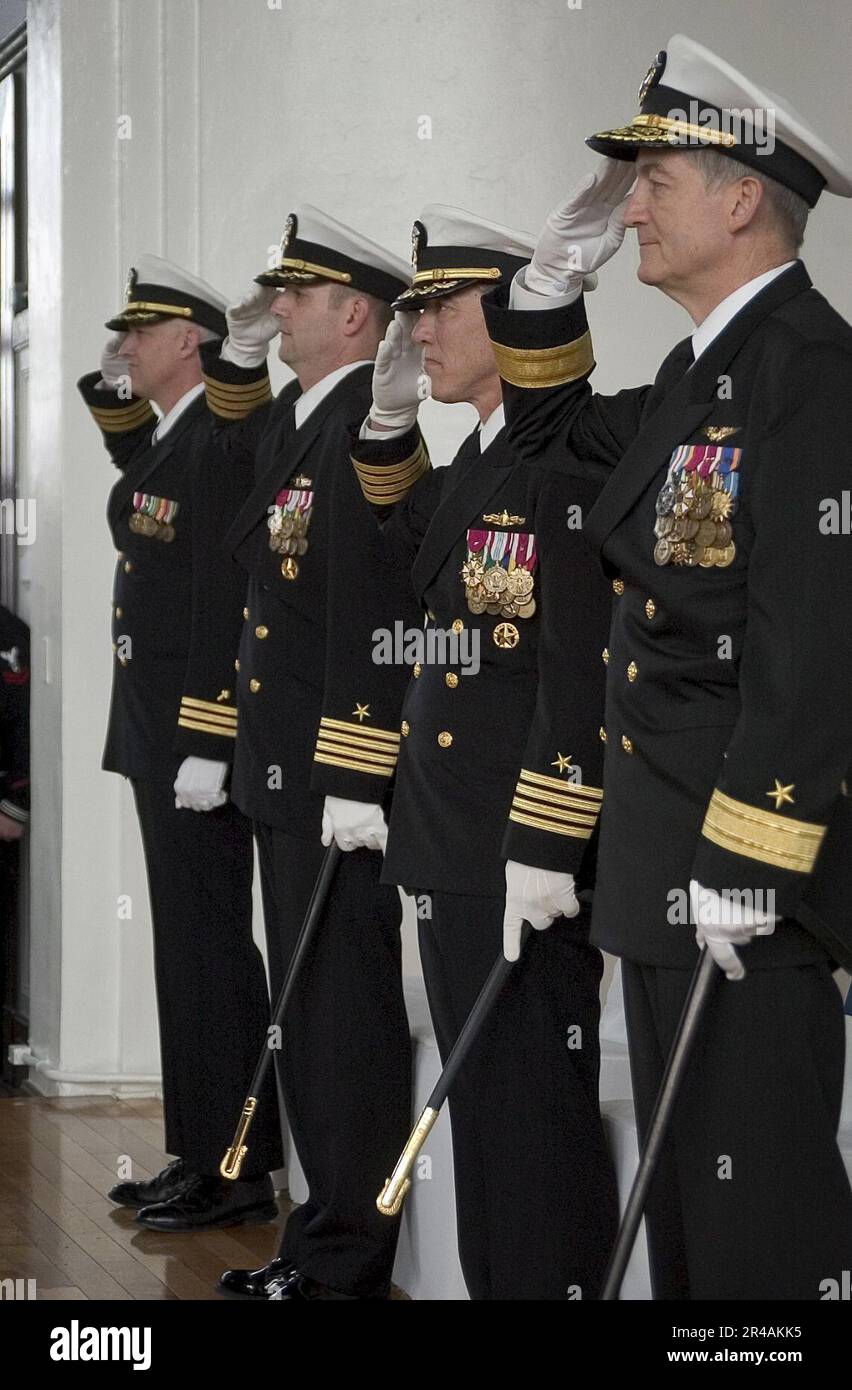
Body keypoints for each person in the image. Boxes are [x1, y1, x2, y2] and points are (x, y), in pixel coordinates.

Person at [481, 32, 852, 1299]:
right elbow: (548, 439)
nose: (629, 203)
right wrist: (546, 285)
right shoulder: (698, 377)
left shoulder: (812, 371)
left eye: (656, 180)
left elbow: (816, 638)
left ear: (743, 197)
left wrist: (753, 854)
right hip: (661, 866)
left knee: (762, 1231)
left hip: (749, 881)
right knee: (693, 1218)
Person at [349, 207, 619, 1299]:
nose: (419, 333)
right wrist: (387, 421)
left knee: (528, 1110)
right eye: (412, 312)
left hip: (518, 841)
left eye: (440, 309)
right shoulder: (485, 452)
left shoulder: (560, 455)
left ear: (514, 316)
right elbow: (410, 551)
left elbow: (576, 662)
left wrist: (549, 835)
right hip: (457, 831)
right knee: (490, 1109)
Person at [205, 208, 421, 1301]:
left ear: (352, 314)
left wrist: (353, 770)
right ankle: (314, 1236)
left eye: (294, 295)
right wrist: (238, 354)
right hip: (281, 768)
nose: (275, 307)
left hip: (325, 777)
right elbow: (224, 455)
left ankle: (342, 1260)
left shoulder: (364, 435)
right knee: (308, 1017)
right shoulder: (307, 418)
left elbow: (367, 616)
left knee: (341, 1023)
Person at [78, 257, 282, 1229]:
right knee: (184, 949)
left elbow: (223, 598)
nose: (122, 347)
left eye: (140, 332)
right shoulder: (176, 435)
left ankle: (236, 1167)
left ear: (190, 341)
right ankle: (196, 1149)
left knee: (209, 952)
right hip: (159, 735)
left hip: (194, 742)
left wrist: (210, 731)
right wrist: (118, 372)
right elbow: (129, 463)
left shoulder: (224, 437)